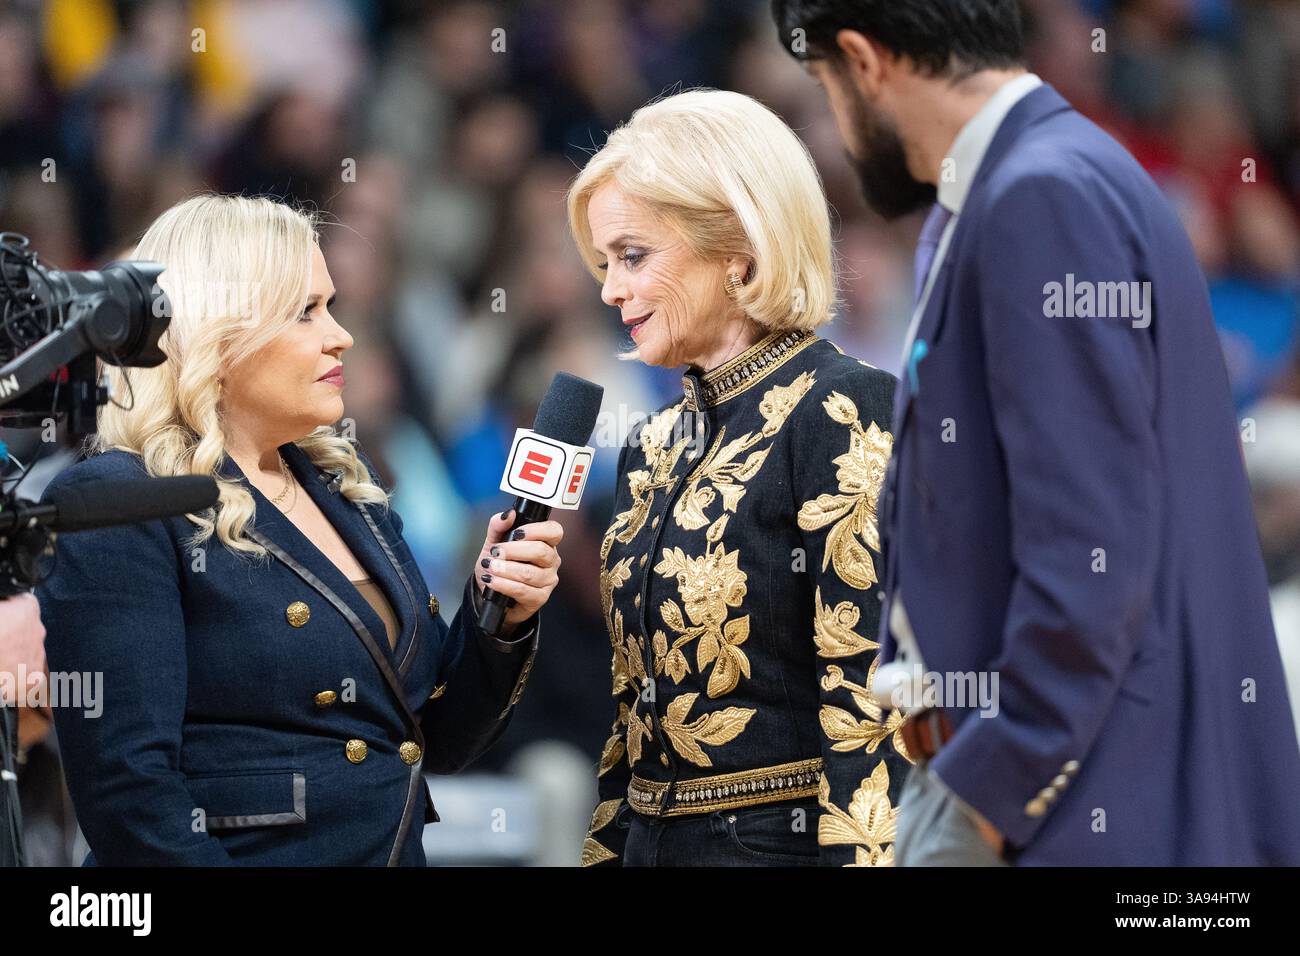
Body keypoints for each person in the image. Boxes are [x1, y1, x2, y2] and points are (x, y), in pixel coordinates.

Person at [773, 0, 1300, 864]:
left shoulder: (1040, 195)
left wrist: (996, 787)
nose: (834, 121)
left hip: (1083, 796)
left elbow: (1092, 549)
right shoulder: (1051, 174)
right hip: (1088, 777)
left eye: (826, 84)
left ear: (865, 62)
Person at [36, 195, 563, 866]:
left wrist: (500, 615)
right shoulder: (120, 503)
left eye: (332, 306)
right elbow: (130, 797)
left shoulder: (348, 486)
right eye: (306, 312)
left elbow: (436, 740)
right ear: (220, 335)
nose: (340, 335)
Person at [568, 88, 909, 867]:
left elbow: (871, 698)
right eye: (603, 262)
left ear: (740, 250)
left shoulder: (844, 406)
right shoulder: (650, 445)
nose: (609, 290)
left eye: (632, 256)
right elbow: (631, 724)